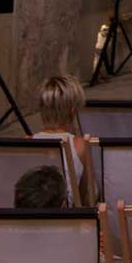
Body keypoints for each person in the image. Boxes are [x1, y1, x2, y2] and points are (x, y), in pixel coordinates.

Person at [32, 75, 92, 204]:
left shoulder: (27, 142)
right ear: (72, 112)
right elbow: (83, 197)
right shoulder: (80, 145)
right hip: (65, 217)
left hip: (31, 213)